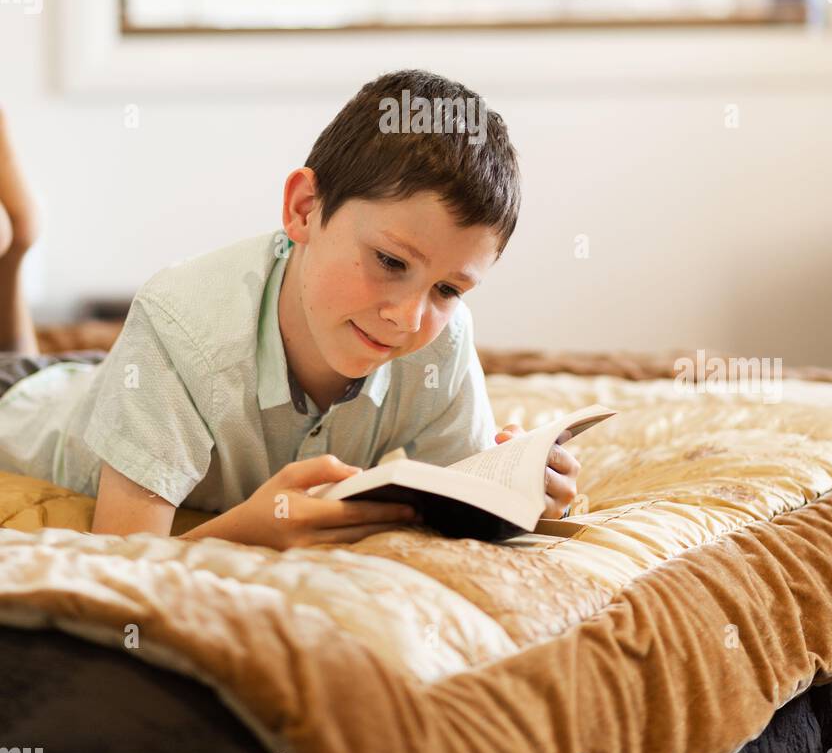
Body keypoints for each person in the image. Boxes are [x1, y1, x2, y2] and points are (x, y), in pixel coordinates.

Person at [0, 69, 580, 547]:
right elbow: (122, 560)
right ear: (303, 209)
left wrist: (525, 489)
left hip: (86, 375)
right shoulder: (176, 324)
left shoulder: (441, 345)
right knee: (14, 260)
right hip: (22, 398)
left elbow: (466, 496)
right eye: (390, 261)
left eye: (449, 290)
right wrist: (251, 529)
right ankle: (22, 234)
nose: (408, 318)